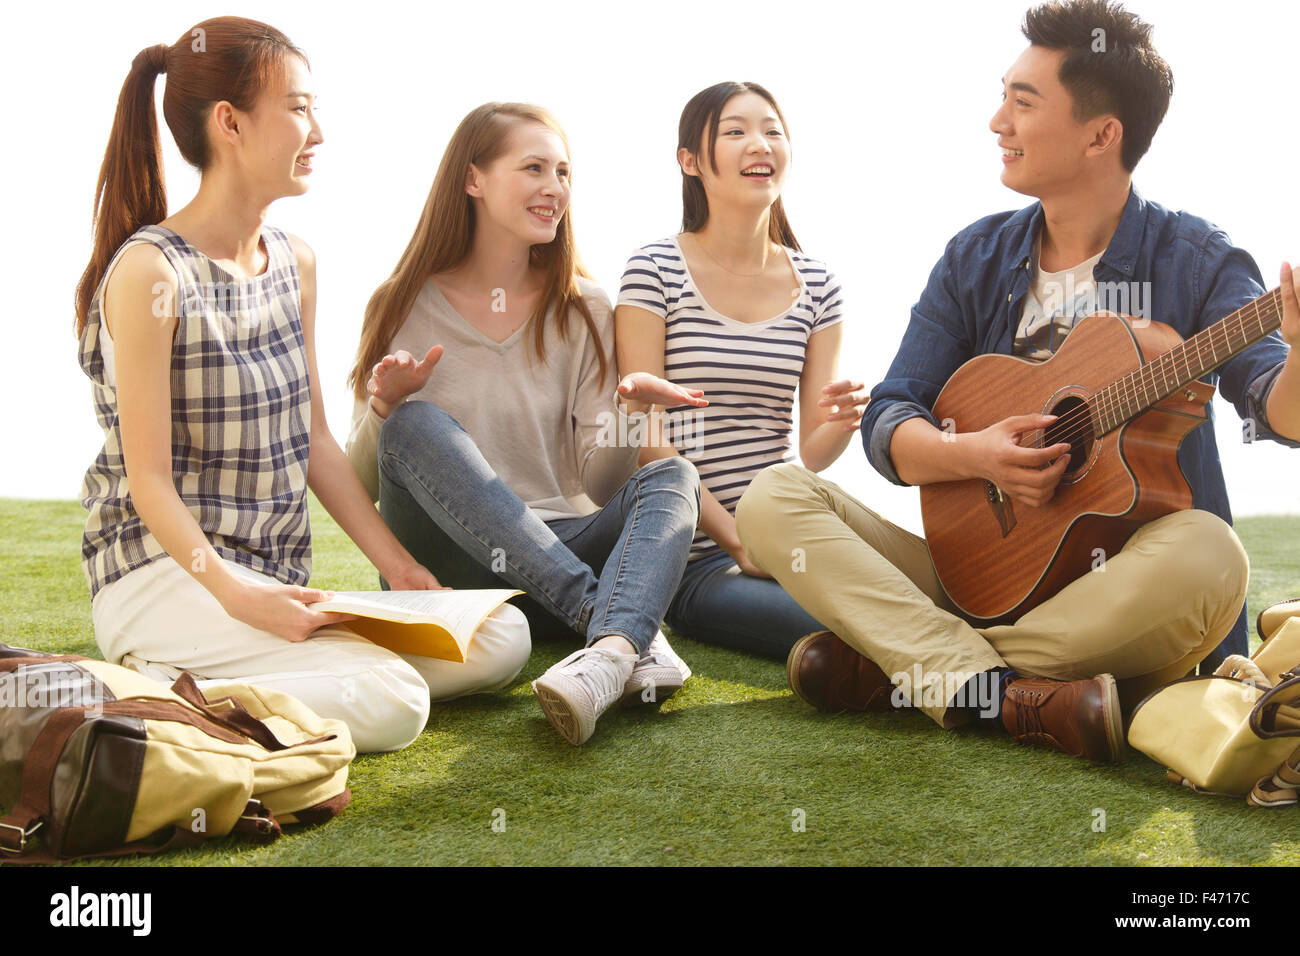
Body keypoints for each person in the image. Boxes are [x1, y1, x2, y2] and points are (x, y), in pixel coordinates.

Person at [735, 0, 1300, 762]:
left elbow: (1279, 409)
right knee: (775, 496)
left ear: (1102, 135)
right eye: (1004, 95)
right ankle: (1019, 694)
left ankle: (911, 669)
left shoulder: (1197, 259)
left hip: (1121, 598)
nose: (996, 121)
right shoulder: (975, 257)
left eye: (1021, 102)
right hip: (979, 569)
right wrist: (978, 458)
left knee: (1214, 555)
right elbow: (890, 416)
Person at [77, 17, 529, 755]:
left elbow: (315, 441)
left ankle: (224, 678)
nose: (316, 129)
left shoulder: (296, 262)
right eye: (298, 107)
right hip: (164, 581)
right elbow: (148, 481)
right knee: (394, 699)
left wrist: (399, 567)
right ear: (230, 122)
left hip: (271, 578)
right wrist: (237, 596)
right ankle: (158, 692)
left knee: (498, 637)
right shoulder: (152, 272)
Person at [344, 103, 703, 746]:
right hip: (454, 571)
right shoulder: (400, 301)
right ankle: (621, 631)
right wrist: (384, 409)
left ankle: (608, 653)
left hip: (555, 556)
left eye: (563, 171)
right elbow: (356, 479)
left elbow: (597, 485)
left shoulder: (586, 307)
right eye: (533, 167)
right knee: (418, 424)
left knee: (672, 474)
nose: (555, 187)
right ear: (473, 179)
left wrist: (630, 414)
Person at [615, 81, 865, 659]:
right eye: (736, 131)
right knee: (842, 627)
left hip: (786, 534)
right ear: (691, 161)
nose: (761, 144)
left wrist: (843, 422)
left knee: (907, 597)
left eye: (772, 130)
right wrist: (738, 541)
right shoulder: (654, 269)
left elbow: (813, 450)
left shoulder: (819, 285)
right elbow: (645, 440)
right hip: (699, 558)